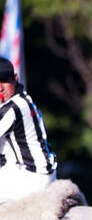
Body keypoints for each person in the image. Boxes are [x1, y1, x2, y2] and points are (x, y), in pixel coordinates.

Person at [0, 57, 57, 204]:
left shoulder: (12, 108)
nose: (0, 88)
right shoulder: (24, 98)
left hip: (34, 178)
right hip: (35, 172)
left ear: (15, 78)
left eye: (4, 80)